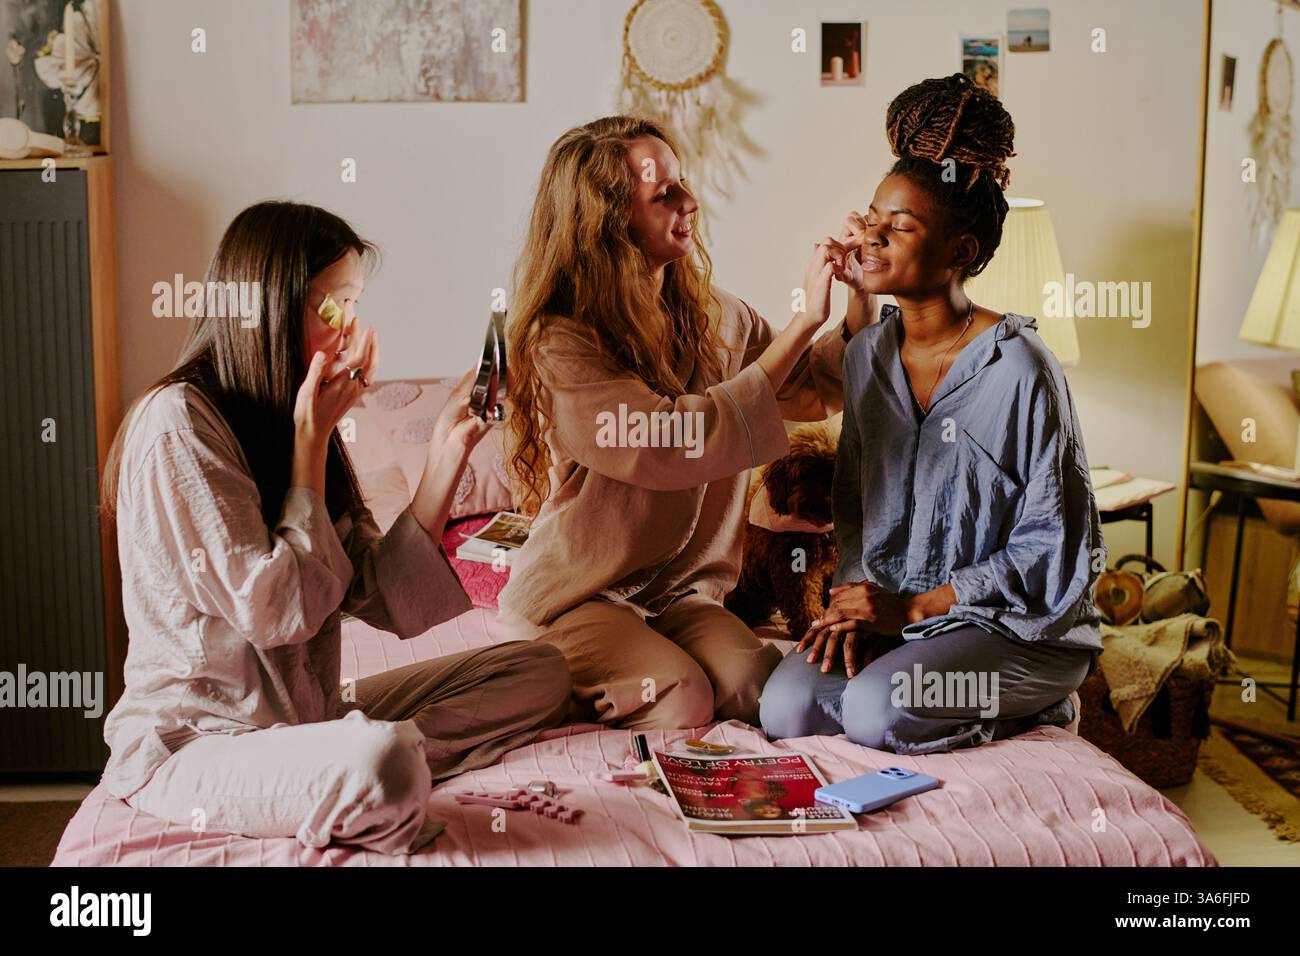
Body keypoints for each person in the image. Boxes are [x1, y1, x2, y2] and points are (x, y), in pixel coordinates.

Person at [100, 201, 571, 854]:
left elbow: (381, 598)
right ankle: (360, 761)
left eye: (353, 304)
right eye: (332, 306)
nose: (350, 327)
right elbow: (276, 613)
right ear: (268, 309)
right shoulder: (178, 424)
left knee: (540, 668)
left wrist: (444, 456)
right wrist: (310, 444)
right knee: (385, 766)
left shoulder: (293, 414)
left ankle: (344, 759)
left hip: (307, 717)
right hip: (201, 740)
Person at [760, 74, 1103, 754]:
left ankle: (1046, 705)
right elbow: (857, 505)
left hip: (1016, 628)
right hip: (903, 618)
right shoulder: (868, 359)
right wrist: (856, 603)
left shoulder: (1022, 369)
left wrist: (919, 606)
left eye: (902, 226)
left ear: (960, 253)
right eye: (872, 218)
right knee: (787, 708)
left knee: (874, 710)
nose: (872, 237)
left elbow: (1053, 551)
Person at [497, 116, 875, 730]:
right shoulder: (562, 340)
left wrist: (858, 294)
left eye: (683, 184)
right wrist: (803, 320)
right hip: (582, 594)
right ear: (607, 219)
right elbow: (668, 442)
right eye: (664, 194)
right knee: (681, 696)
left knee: (760, 689)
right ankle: (543, 679)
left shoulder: (718, 315)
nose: (690, 202)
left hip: (686, 593)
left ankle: (651, 660)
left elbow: (809, 389)